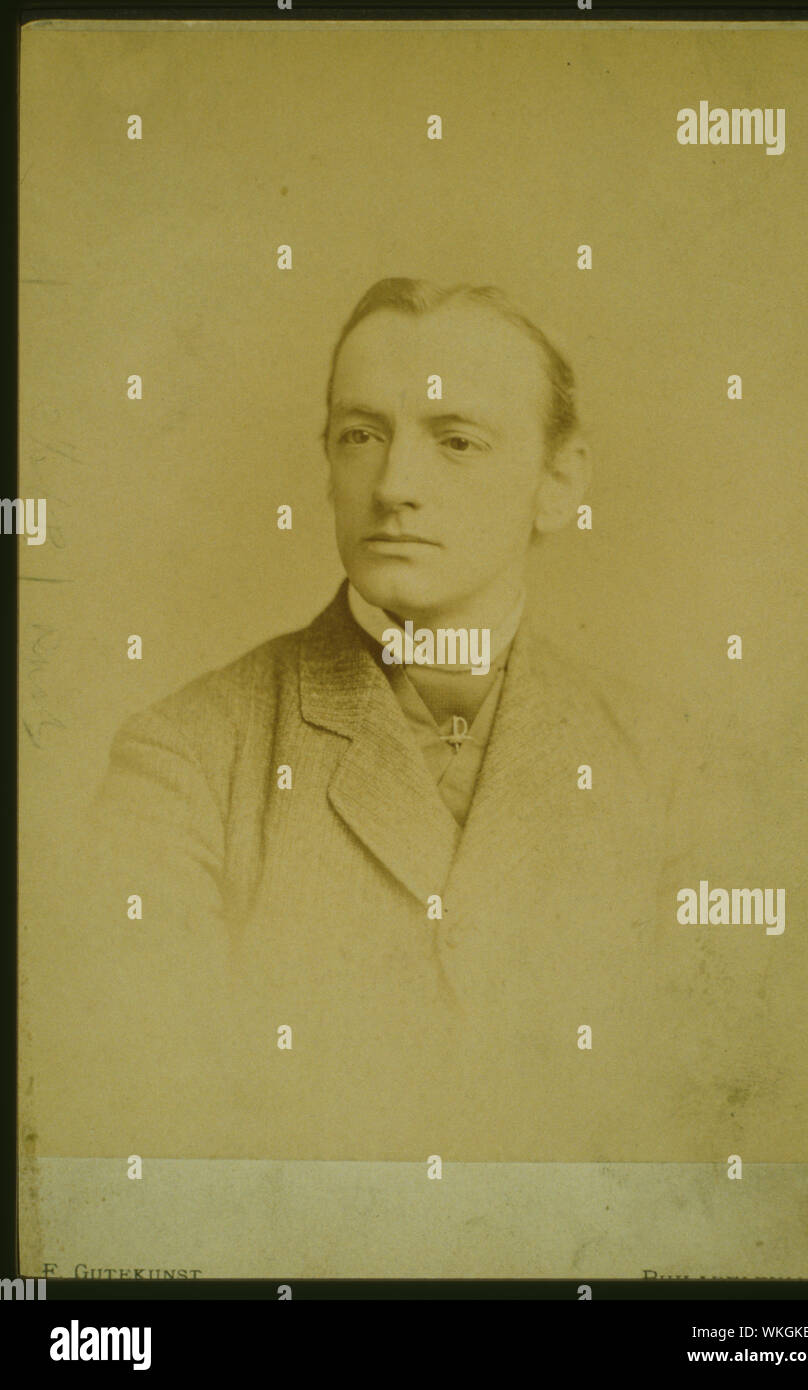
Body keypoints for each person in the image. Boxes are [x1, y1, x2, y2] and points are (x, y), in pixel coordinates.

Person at [81, 278, 691, 1162]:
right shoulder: (185, 758)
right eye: (362, 436)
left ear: (559, 483)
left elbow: (701, 1109)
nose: (396, 486)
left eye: (457, 441)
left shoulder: (668, 765)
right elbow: (154, 1110)